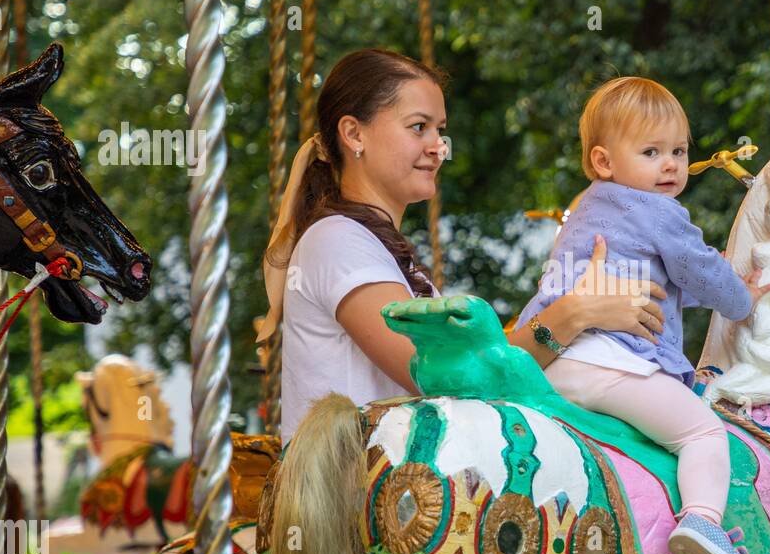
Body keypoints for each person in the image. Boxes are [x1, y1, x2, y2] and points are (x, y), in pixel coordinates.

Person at [260, 48, 668, 443]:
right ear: (354, 133)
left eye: (440, 129)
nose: (438, 146)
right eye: (419, 127)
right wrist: (576, 312)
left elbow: (483, 363)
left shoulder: (378, 249)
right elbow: (444, 374)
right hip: (354, 494)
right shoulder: (336, 240)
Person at [515, 77, 770, 554]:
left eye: (679, 151)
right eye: (652, 152)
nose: (671, 165)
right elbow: (701, 270)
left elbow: (664, 285)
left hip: (556, 360)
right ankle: (702, 524)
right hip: (611, 359)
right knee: (702, 434)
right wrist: (742, 298)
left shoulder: (588, 207)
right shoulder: (658, 212)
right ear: (605, 161)